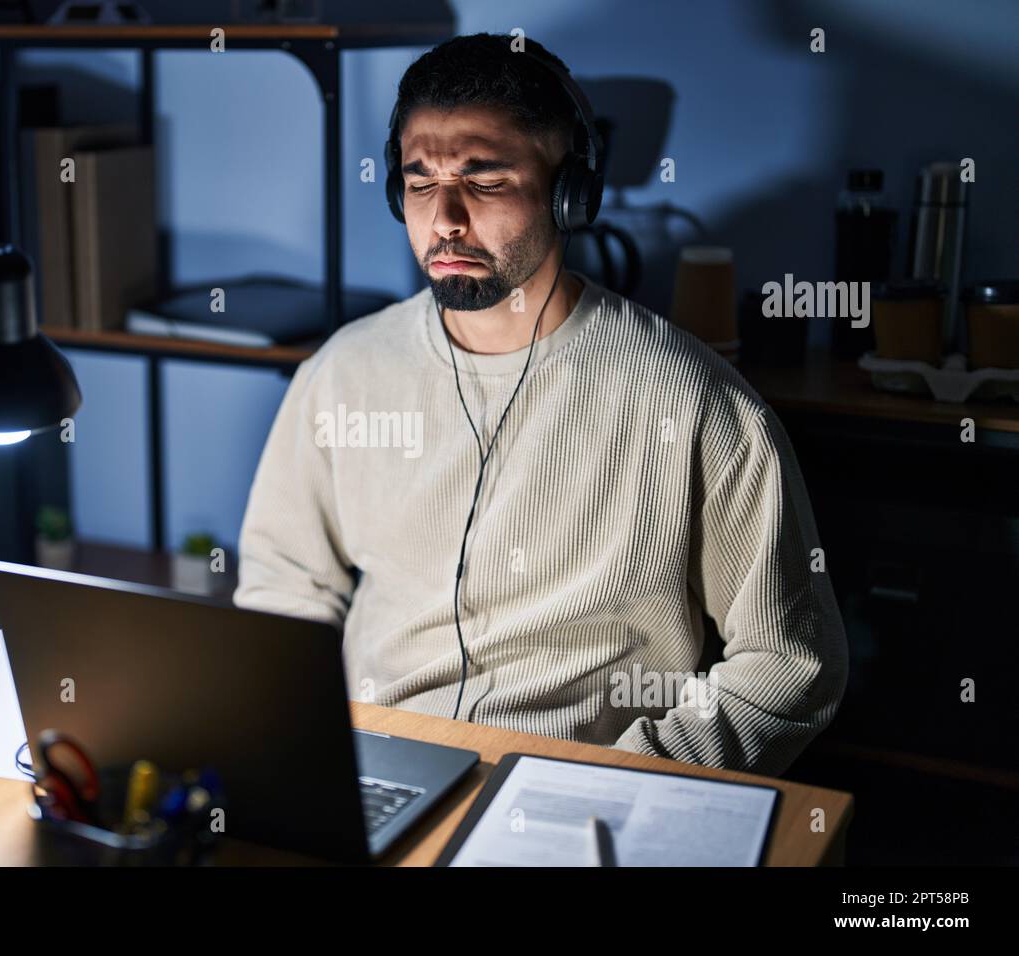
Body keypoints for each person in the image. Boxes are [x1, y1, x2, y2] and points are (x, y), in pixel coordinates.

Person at [234, 33, 847, 776]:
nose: (445, 218)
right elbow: (284, 582)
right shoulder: (343, 372)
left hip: (581, 787)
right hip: (370, 769)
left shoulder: (694, 402)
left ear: (570, 194)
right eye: (420, 181)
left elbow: (788, 667)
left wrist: (628, 780)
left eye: (485, 181)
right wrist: (307, 734)